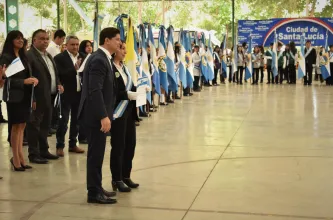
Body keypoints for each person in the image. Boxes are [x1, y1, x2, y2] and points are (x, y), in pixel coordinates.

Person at [78, 27, 121, 204]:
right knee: (95, 154)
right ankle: (93, 192)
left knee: (98, 153)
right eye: (117, 39)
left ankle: (97, 186)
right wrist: (103, 116)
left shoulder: (104, 58)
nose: (119, 42)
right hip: (95, 115)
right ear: (106, 40)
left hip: (100, 113)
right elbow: (94, 90)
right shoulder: (98, 60)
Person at [0, 31, 39, 171]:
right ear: (11, 40)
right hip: (14, 97)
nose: (20, 40)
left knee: (22, 127)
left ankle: (21, 157)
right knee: (16, 127)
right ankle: (16, 159)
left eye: (22, 38)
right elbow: (6, 80)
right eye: (17, 38)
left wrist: (32, 91)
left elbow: (28, 75)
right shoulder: (6, 57)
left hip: (26, 96)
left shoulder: (23, 56)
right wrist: (25, 81)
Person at [26, 29, 64, 164]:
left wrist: (59, 84)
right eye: (41, 39)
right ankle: (33, 153)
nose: (45, 41)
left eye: (47, 39)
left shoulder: (48, 55)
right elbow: (28, 78)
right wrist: (33, 99)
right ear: (34, 40)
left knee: (45, 125)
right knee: (34, 126)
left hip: (50, 96)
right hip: (37, 97)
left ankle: (44, 150)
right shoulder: (29, 56)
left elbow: (54, 74)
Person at [111, 41, 143, 192]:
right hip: (117, 112)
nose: (125, 52)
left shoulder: (124, 68)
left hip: (129, 113)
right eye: (121, 49)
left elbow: (130, 86)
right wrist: (126, 94)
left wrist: (140, 90)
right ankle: (116, 179)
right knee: (118, 146)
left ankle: (126, 176)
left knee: (130, 145)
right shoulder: (110, 68)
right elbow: (110, 92)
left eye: (125, 49)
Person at [54, 36, 85, 157]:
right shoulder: (59, 58)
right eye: (72, 44)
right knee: (63, 120)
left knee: (76, 120)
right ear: (66, 45)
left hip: (79, 93)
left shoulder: (83, 56)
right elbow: (59, 74)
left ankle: (73, 144)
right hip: (66, 93)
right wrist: (74, 68)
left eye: (77, 44)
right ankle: (60, 146)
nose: (75, 47)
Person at [47, 29, 66, 135]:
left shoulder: (56, 48)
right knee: (51, 105)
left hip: (56, 79)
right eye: (62, 39)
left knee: (54, 104)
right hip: (52, 79)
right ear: (58, 38)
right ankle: (49, 125)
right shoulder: (52, 48)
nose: (62, 41)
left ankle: (53, 124)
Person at [77, 40, 93, 144]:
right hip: (81, 89)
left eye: (90, 45)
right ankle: (82, 136)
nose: (89, 48)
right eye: (87, 46)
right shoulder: (81, 57)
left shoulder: (92, 57)